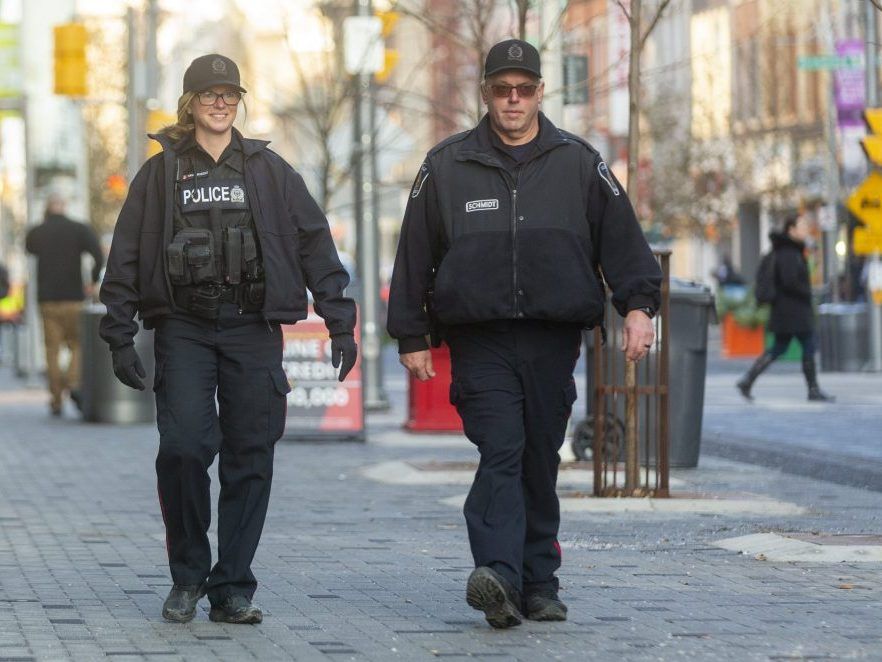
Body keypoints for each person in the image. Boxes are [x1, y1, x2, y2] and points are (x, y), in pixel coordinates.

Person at [387, 39, 661, 629]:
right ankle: (497, 574)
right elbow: (414, 253)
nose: (513, 100)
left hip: (552, 337)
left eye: (524, 89)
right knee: (501, 448)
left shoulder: (578, 162)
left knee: (539, 456)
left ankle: (539, 582)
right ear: (485, 93)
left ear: (540, 92)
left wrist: (639, 307)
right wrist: (410, 333)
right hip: (479, 337)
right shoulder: (446, 165)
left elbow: (623, 241)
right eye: (501, 89)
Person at [99, 54, 357, 625]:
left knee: (251, 454)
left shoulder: (269, 170)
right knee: (183, 448)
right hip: (184, 327)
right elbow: (127, 255)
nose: (221, 104)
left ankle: (233, 587)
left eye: (230, 94)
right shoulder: (160, 174)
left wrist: (340, 321)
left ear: (239, 102)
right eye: (209, 95)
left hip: (252, 326)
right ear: (189, 104)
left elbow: (315, 244)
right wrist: (118, 333)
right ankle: (188, 576)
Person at [736, 215, 834, 402]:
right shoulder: (789, 252)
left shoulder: (788, 250)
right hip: (793, 311)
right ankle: (813, 389)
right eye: (802, 226)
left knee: (779, 348)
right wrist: (808, 292)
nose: (806, 230)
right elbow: (790, 281)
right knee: (807, 345)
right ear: (791, 229)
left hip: (786, 311)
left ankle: (748, 380)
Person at [25, 193, 103, 416]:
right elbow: (98, 254)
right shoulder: (79, 229)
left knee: (52, 349)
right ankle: (72, 381)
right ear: (64, 206)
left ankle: (56, 399)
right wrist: (93, 280)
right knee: (77, 344)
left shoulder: (37, 231)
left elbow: (30, 248)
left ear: (47, 208)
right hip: (74, 298)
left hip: (47, 301)